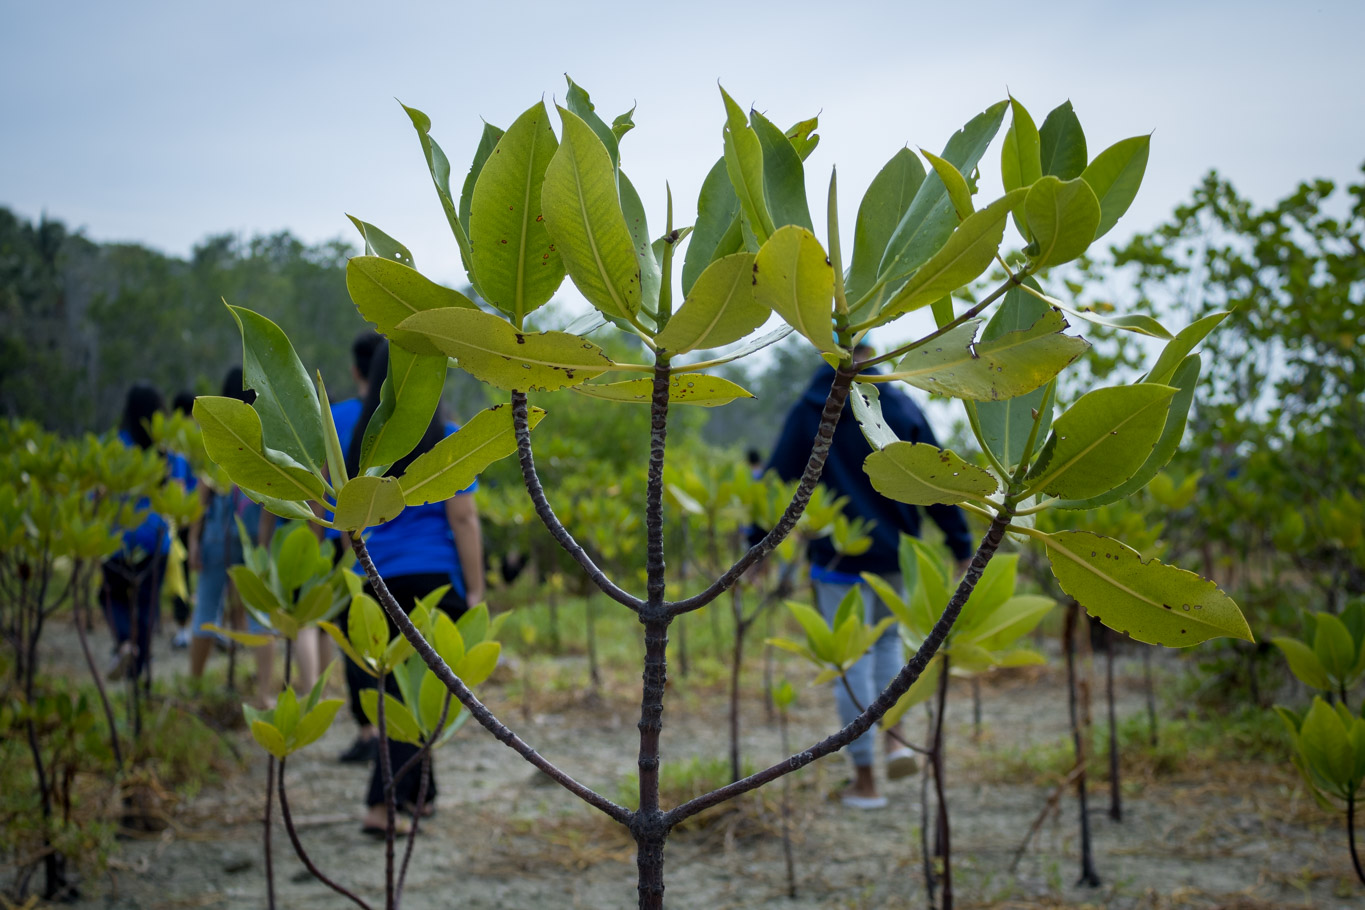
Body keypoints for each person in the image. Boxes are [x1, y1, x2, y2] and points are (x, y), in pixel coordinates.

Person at [768, 340, 974, 809]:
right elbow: (937, 478)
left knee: (850, 665)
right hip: (896, 558)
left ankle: (866, 782)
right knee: (887, 649)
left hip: (838, 560)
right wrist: (960, 543)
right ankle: (896, 742)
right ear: (874, 349)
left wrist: (755, 541)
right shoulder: (901, 405)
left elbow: (780, 473)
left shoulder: (812, 406)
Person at [343, 340, 485, 835]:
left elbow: (345, 522)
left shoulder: (362, 444)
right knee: (416, 699)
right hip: (431, 579)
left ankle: (422, 795)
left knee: (400, 696)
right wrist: (476, 589)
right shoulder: (445, 439)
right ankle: (381, 808)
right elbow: (463, 518)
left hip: (376, 578)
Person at [186, 368, 276, 701]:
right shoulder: (263, 437)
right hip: (252, 537)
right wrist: (264, 546)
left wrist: (193, 540)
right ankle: (265, 693)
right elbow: (270, 500)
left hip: (215, 535)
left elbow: (201, 497)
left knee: (206, 611)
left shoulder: (212, 435)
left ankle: (194, 688)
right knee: (259, 615)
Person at [103, 384, 193, 681]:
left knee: (110, 596)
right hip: (156, 539)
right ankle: (139, 673)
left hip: (118, 539)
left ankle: (125, 643)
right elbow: (178, 496)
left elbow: (99, 493)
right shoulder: (169, 451)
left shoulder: (113, 444)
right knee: (146, 605)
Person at [168, 391, 198, 650]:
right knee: (186, 574)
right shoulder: (190, 438)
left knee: (181, 574)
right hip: (191, 516)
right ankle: (186, 627)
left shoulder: (174, 440)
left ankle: (183, 627)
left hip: (181, 518)